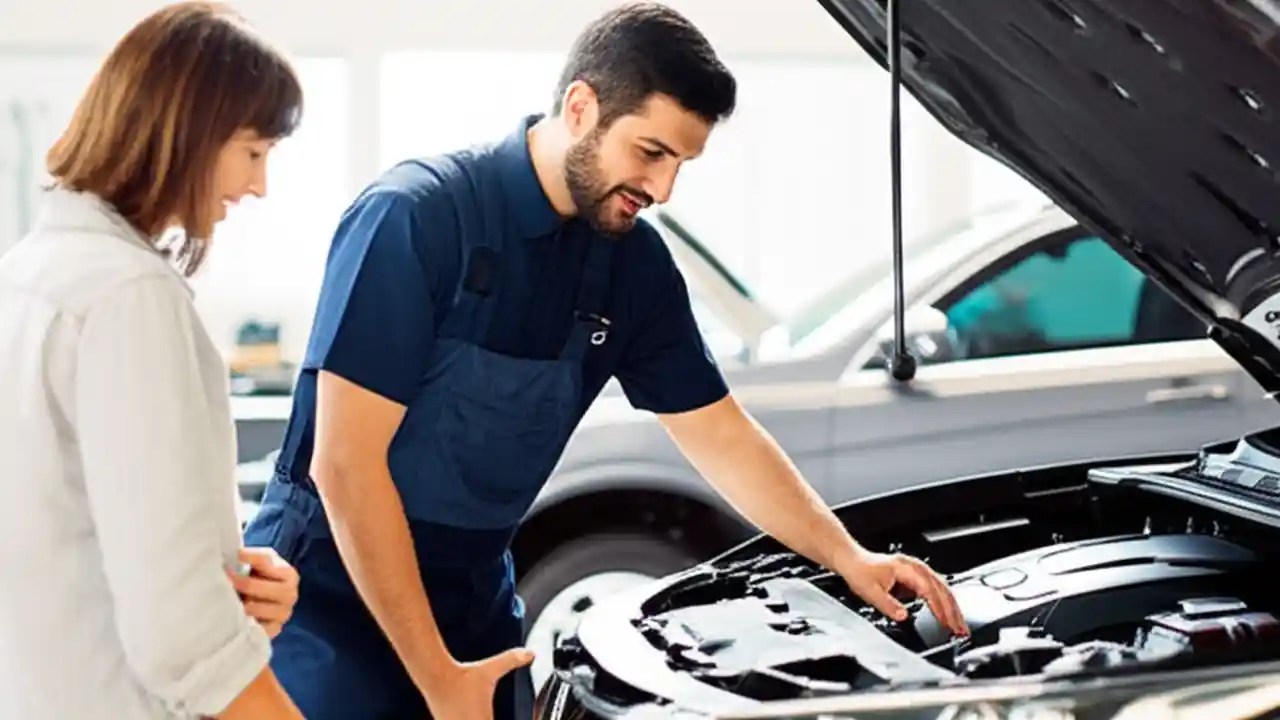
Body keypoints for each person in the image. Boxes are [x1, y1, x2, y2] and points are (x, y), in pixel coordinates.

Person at [245, 2, 970, 718]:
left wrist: (848, 558)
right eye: (651, 153)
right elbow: (344, 468)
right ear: (582, 106)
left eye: (681, 164)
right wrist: (437, 676)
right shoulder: (416, 218)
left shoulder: (635, 268)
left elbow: (719, 434)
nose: (662, 190)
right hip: (323, 594)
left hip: (472, 596)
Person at [0, 3, 308, 719]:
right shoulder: (129, 296)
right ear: (186, 136)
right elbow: (180, 632)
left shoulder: (28, 273)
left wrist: (226, 573)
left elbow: (70, 527)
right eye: (253, 152)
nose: (258, 185)